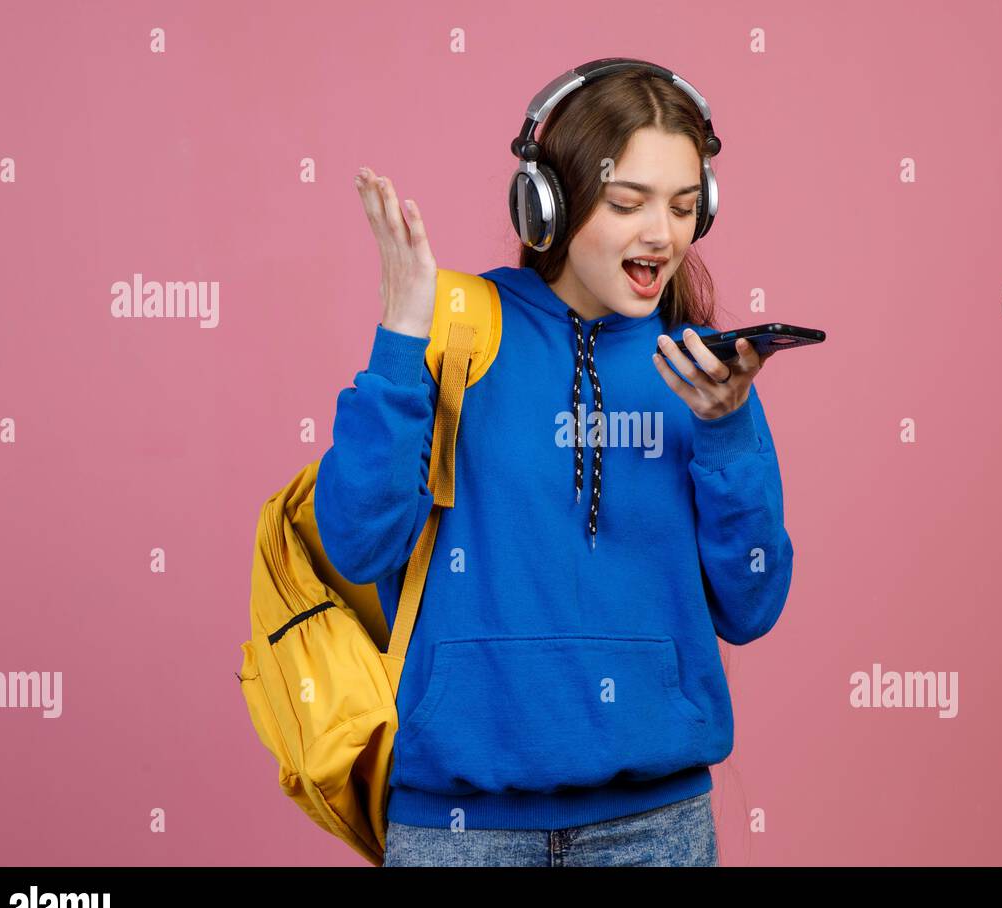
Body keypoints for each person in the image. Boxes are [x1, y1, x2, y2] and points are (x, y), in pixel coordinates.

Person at [315, 60, 793, 866]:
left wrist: (726, 429)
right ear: (549, 203)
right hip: (458, 828)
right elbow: (358, 543)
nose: (660, 235)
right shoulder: (460, 331)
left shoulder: (703, 374)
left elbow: (752, 604)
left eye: (682, 207)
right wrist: (402, 337)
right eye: (628, 203)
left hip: (656, 827)